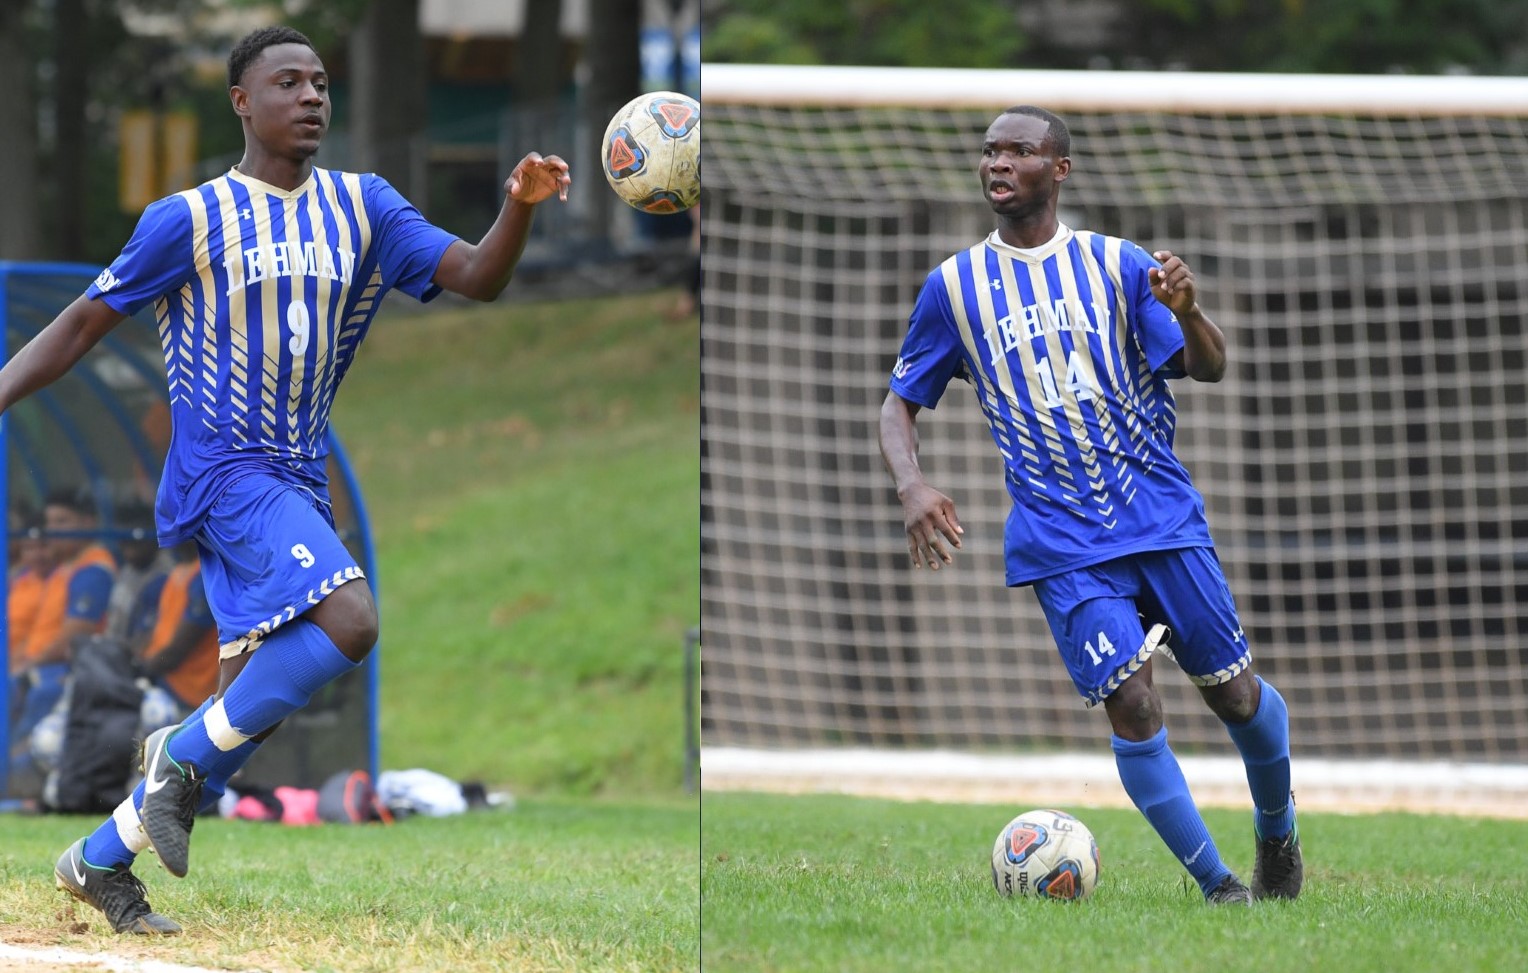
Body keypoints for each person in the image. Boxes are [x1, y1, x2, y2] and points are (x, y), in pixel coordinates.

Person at [0, 25, 569, 935]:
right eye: (288, 82)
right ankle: (176, 759)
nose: (311, 97)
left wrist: (519, 206)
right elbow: (77, 325)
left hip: (298, 474)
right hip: (223, 470)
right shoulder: (185, 218)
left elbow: (477, 276)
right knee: (351, 619)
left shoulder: (366, 205)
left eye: (320, 83)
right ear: (241, 102)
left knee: (238, 705)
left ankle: (98, 860)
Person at [878, 106, 1302, 906]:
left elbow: (1207, 367)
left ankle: (1277, 832)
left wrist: (1188, 310)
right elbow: (898, 403)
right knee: (1133, 701)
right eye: (990, 151)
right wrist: (913, 483)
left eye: (1019, 151)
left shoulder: (1116, 264)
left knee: (1234, 696)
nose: (998, 163)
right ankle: (1220, 887)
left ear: (1059, 169)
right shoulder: (954, 287)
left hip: (1162, 517)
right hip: (1061, 538)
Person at [9, 489, 117, 776]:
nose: (53, 530)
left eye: (63, 522)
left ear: (88, 523)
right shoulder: (65, 567)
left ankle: (16, 777)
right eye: (50, 522)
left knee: (35, 693)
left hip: (65, 669)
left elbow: (75, 634)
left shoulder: (93, 568)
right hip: (41, 664)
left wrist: (27, 665)